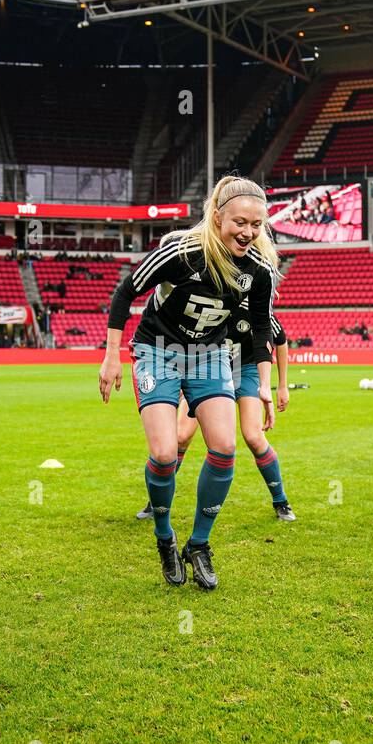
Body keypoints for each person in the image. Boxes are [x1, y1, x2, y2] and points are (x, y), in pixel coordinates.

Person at [101, 175, 280, 589]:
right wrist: (111, 356)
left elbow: (259, 329)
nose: (248, 232)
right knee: (164, 454)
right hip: (157, 349)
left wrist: (265, 385)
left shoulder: (259, 272)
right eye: (239, 222)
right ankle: (165, 537)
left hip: (210, 355)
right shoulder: (182, 252)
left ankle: (199, 544)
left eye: (256, 225)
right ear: (217, 217)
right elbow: (125, 292)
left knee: (225, 446)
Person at [137, 310, 294, 523]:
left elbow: (281, 340)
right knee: (181, 436)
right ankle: (157, 502)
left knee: (254, 437)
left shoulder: (253, 303)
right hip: (208, 368)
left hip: (245, 371)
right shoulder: (207, 297)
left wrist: (282, 385)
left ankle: (280, 501)